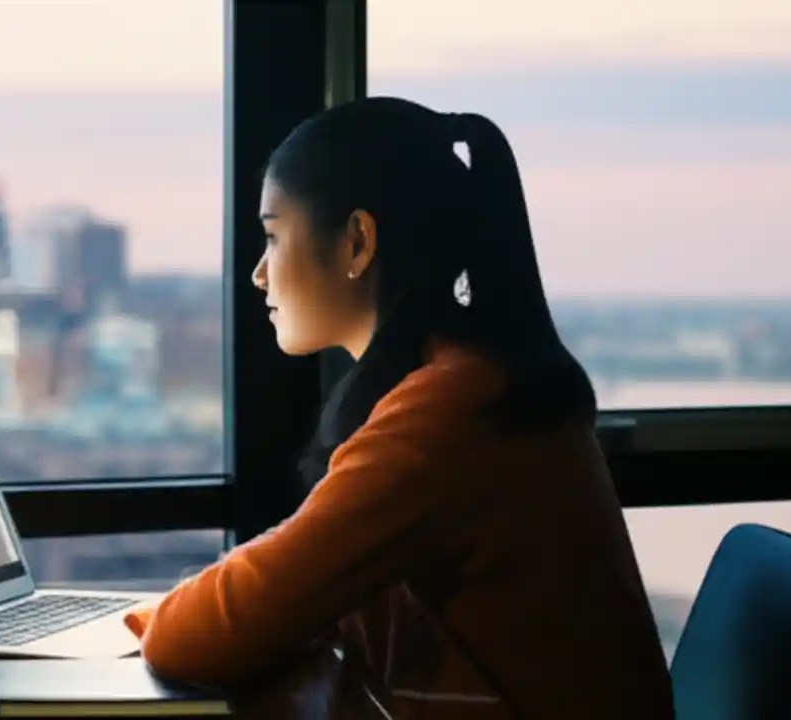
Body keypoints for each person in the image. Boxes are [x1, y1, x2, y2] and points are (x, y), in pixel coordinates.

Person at [121, 97, 674, 718]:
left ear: (357, 242)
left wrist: (153, 619)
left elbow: (197, 637)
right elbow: (295, 579)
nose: (258, 273)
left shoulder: (450, 411)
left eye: (273, 236)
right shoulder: (466, 379)